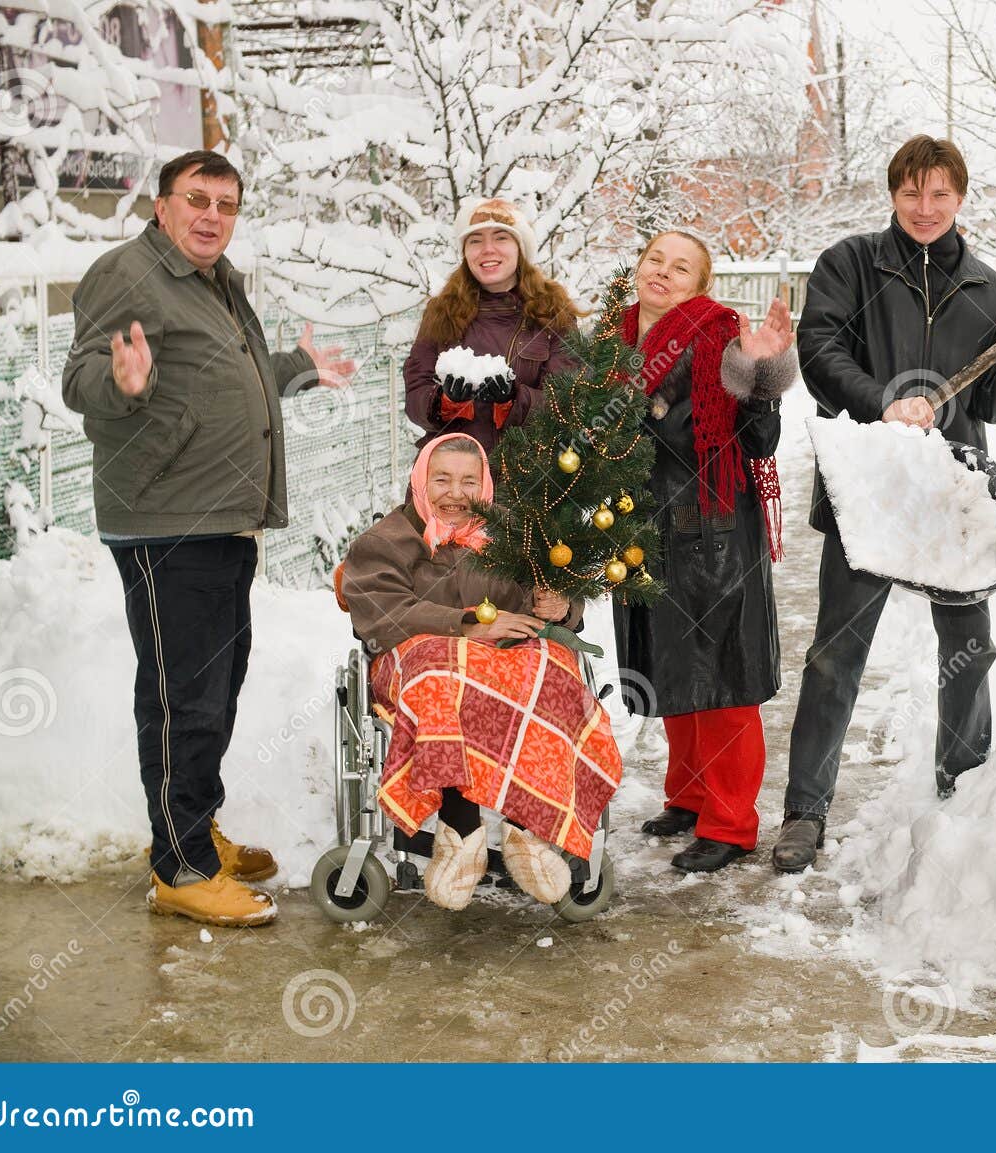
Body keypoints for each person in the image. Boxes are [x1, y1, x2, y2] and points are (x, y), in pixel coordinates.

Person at [61, 149, 356, 928]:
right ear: (161, 206)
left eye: (226, 203)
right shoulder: (126, 273)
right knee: (180, 696)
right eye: (197, 199)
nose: (212, 215)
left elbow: (220, 370)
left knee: (215, 689)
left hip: (223, 517)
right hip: (165, 523)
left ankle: (191, 826)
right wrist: (121, 384)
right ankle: (180, 865)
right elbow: (81, 376)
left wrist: (293, 368)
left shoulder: (214, 278)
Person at [774, 135, 996, 872]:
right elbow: (819, 352)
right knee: (834, 657)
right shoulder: (850, 264)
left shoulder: (988, 289)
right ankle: (804, 812)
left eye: (940, 193)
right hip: (872, 486)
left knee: (968, 649)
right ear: (893, 194)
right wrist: (885, 401)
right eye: (912, 192)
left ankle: (964, 787)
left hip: (954, 490)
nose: (925, 207)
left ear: (960, 197)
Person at [339, 433, 622, 910]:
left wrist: (561, 605)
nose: (455, 493)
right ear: (420, 481)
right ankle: (461, 831)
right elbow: (380, 612)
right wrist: (466, 625)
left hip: (506, 659)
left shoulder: (515, 535)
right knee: (442, 678)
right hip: (421, 664)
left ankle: (528, 833)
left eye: (469, 481)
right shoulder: (386, 541)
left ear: (486, 485)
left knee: (551, 674)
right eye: (442, 479)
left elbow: (560, 595)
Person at [613, 231, 797, 874]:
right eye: (655, 259)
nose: (663, 272)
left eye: (681, 266)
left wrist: (761, 372)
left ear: (700, 284)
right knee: (675, 670)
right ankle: (689, 798)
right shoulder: (618, 337)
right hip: (645, 531)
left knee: (723, 683)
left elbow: (760, 440)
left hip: (711, 531)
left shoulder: (715, 335)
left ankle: (731, 824)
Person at [404, 198, 584, 454]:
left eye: (501, 238)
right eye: (475, 240)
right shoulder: (441, 311)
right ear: (465, 251)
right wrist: (443, 402)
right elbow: (414, 397)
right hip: (452, 476)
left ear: (520, 248)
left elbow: (566, 403)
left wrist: (514, 401)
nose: (487, 249)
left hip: (523, 477)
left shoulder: (553, 313)